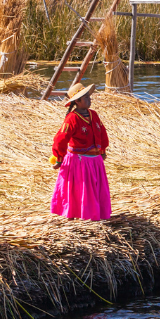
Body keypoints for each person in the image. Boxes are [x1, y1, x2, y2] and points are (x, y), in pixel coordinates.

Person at [50, 82, 111, 221]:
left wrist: (102, 150)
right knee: (80, 189)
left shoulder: (93, 114)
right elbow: (61, 139)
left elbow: (102, 132)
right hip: (79, 161)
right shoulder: (72, 118)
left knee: (95, 189)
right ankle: (75, 215)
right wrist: (59, 158)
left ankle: (96, 214)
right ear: (77, 101)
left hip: (95, 160)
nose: (90, 100)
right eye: (86, 98)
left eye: (89, 97)